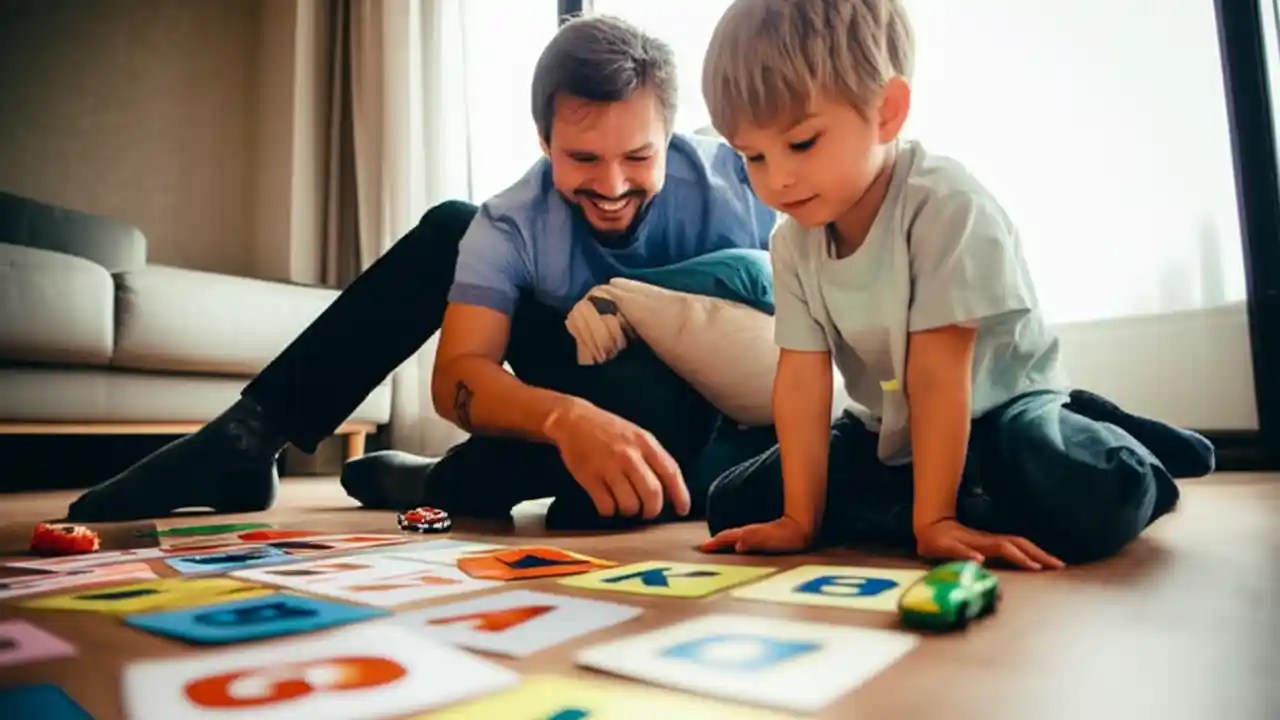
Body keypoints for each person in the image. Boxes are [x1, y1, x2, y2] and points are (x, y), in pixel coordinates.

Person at [66, 15, 776, 526]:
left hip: (699, 405)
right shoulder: (514, 220)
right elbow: (458, 375)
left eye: (639, 157)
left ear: (672, 135)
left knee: (672, 457)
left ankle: (445, 478)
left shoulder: (738, 189)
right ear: (543, 140)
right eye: (583, 159)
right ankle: (245, 438)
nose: (613, 186)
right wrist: (567, 418)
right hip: (575, 375)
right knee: (448, 226)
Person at [696, 0, 1215, 567]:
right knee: (734, 504)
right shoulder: (792, 240)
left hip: (998, 410)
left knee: (1093, 498)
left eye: (801, 144)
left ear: (886, 111)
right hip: (889, 429)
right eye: (753, 156)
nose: (779, 178)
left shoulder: (947, 206)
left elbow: (940, 374)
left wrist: (934, 522)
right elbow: (801, 379)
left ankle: (1109, 440)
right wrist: (799, 519)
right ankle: (957, 502)